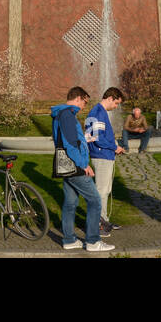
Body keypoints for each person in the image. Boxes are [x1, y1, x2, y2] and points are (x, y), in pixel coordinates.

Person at [50, 87, 114, 252]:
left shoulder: (61, 114)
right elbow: (71, 144)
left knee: (70, 203)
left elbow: (65, 141)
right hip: (75, 166)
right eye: (85, 102)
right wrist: (83, 164)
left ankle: (69, 240)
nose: (85, 106)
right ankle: (93, 241)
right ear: (78, 98)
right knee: (95, 200)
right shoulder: (67, 115)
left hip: (66, 166)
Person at [84, 87, 126, 237]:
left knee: (105, 191)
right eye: (116, 103)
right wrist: (114, 147)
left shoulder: (100, 112)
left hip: (105, 155)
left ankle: (104, 220)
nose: (116, 107)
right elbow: (97, 138)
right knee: (101, 192)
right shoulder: (97, 112)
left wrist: (114, 147)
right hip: (101, 156)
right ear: (110, 98)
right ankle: (98, 225)